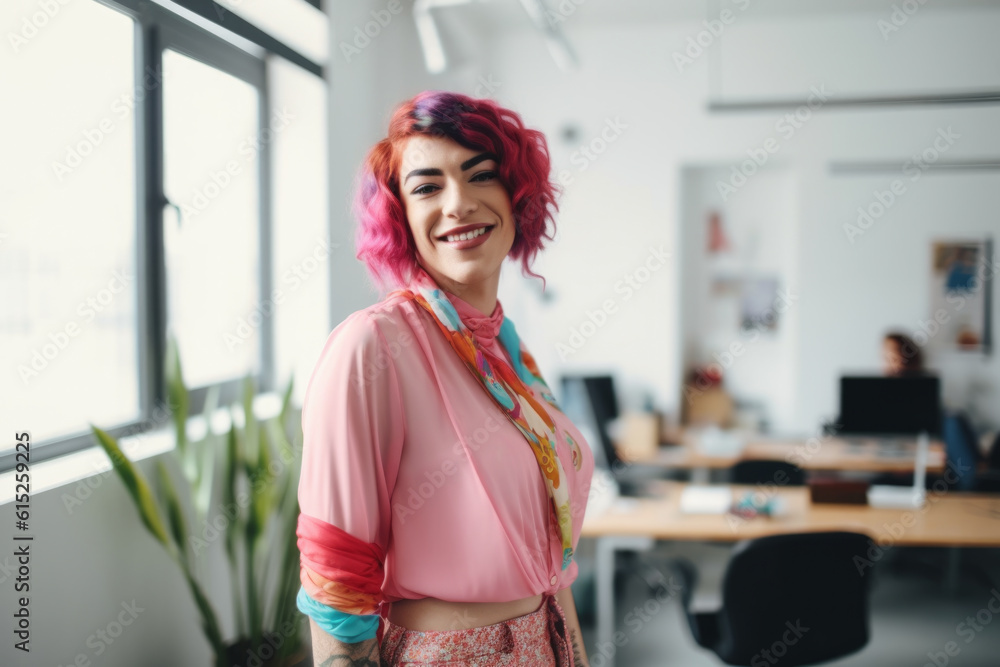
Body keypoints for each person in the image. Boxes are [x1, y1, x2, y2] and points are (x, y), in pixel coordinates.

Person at [294, 90, 595, 666]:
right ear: (400, 217)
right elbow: (336, 581)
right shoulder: (374, 345)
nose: (458, 203)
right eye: (427, 187)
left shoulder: (507, 350)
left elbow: (553, 567)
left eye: (481, 175)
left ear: (517, 196)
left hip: (548, 641)